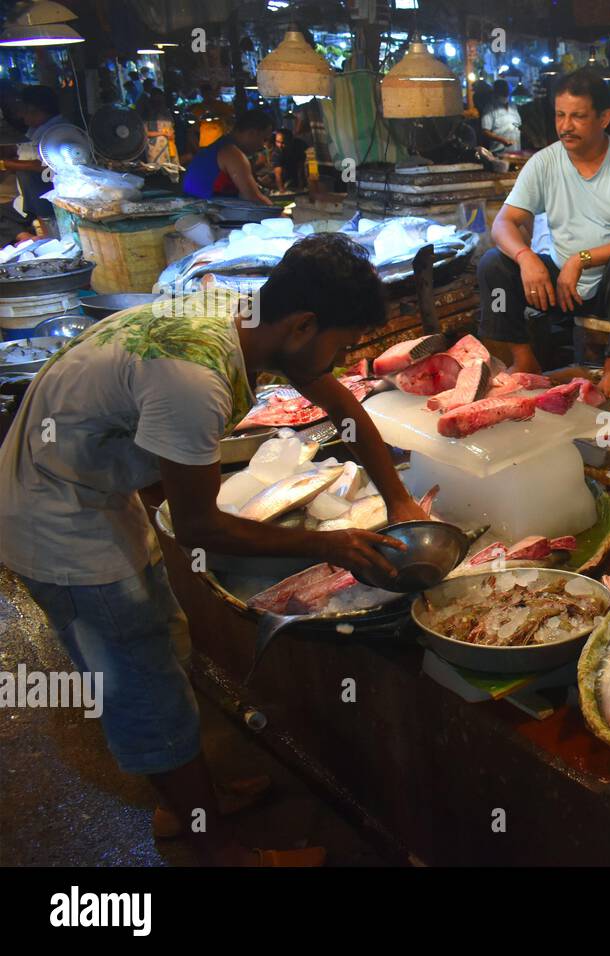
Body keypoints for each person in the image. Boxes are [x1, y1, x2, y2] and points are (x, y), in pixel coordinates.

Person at [0, 234, 430, 866]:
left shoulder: (243, 311)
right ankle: (219, 850)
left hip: (85, 482)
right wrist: (330, 546)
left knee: (161, 641)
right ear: (303, 323)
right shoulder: (194, 380)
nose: (334, 362)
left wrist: (398, 498)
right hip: (55, 514)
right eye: (337, 345)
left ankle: (188, 799)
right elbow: (200, 528)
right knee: (139, 679)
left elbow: (336, 402)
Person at [477, 67, 610, 399]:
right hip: (562, 288)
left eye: (578, 116)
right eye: (560, 115)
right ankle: (525, 361)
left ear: (604, 118)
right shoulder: (544, 162)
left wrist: (583, 259)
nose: (565, 126)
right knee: (494, 263)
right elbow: (503, 223)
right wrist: (526, 257)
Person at [0, 85, 79, 232]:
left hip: (50, 201)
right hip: (30, 201)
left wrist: (7, 164)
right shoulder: (34, 129)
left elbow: (47, 166)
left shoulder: (60, 131)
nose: (21, 116)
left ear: (33, 109)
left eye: (23, 110)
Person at [182, 108, 275, 204]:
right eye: (264, 139)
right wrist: (283, 216)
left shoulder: (219, 146)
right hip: (203, 214)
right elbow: (253, 197)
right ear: (252, 133)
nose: (262, 146)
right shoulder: (231, 153)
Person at [481, 79, 523, 153]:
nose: (505, 92)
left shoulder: (513, 106)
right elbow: (485, 132)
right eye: (502, 90)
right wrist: (502, 140)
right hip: (499, 152)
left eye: (506, 90)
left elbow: (518, 125)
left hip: (516, 150)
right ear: (496, 92)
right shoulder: (490, 108)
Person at [270, 127, 308, 191]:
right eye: (277, 142)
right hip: (287, 174)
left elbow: (301, 168)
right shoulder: (277, 152)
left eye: (283, 142)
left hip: (305, 171)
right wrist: (281, 190)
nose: (280, 145)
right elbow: (278, 172)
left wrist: (301, 187)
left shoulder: (300, 145)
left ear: (290, 140)